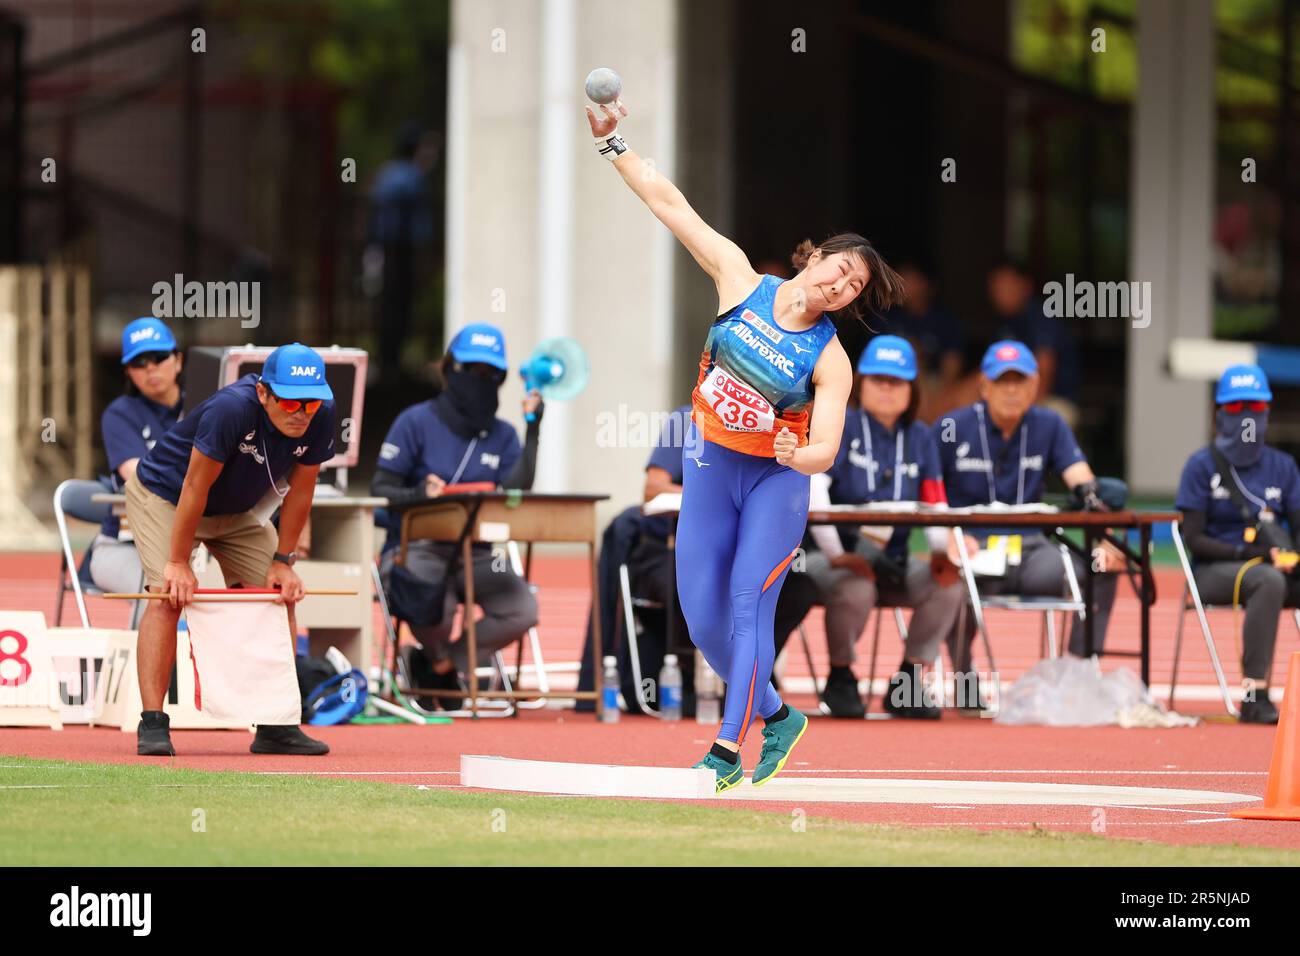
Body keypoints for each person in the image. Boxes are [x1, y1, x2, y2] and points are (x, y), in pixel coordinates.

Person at [589, 96, 904, 790]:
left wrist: (803, 457)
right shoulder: (738, 278)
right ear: (815, 256)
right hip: (707, 467)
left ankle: (728, 750)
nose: (839, 284)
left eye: (852, 288)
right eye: (839, 267)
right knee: (703, 624)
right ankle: (779, 716)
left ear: (848, 303)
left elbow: (826, 448)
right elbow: (671, 205)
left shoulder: (832, 361)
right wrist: (614, 145)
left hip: (774, 485)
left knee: (744, 604)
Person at [124, 343, 337, 757]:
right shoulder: (232, 409)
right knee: (167, 597)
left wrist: (283, 562)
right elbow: (193, 487)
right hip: (166, 496)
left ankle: (276, 723)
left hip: (235, 511)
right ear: (264, 393)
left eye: (310, 403)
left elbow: (302, 489)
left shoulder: (319, 415)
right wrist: (178, 562)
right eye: (290, 401)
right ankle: (153, 723)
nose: (300, 412)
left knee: (276, 598)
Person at [934, 340, 1121, 709]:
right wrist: (946, 541)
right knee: (948, 581)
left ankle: (1076, 670)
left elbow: (1083, 485)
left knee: (1100, 566)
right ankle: (963, 674)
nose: (1011, 390)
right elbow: (927, 489)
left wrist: (1106, 536)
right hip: (974, 549)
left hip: (1032, 551)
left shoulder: (1050, 424)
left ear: (1035, 387)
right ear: (984, 386)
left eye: (1020, 381)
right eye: (1002, 381)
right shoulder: (951, 427)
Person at [373, 323, 542, 710]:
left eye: (491, 374)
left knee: (523, 608)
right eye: (472, 371)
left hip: (478, 552)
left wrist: (533, 428)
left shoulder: (502, 435)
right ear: (450, 370)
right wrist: (420, 494)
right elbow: (380, 490)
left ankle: (441, 663)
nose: (481, 381)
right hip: (416, 547)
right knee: (437, 605)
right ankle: (436, 662)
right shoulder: (415, 421)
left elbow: (517, 492)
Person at [799, 336, 968, 719]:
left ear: (913, 389)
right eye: (878, 380)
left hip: (893, 557)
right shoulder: (838, 424)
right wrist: (839, 556)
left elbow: (935, 500)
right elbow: (815, 492)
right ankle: (840, 675)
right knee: (856, 585)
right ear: (861, 383)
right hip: (827, 555)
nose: (887, 389)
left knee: (949, 584)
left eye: (898, 381)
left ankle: (907, 680)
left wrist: (941, 554)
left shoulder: (923, 437)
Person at [628, 404, 821, 709]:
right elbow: (653, 488)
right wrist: (714, 494)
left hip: (752, 551)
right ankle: (700, 677)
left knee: (800, 588)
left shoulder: (783, 422)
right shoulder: (687, 419)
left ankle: (755, 677)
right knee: (697, 595)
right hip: (689, 547)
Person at [1175, 364, 1299, 724]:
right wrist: (1252, 554)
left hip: (1274, 565)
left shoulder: (1284, 466)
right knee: (1267, 579)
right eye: (1236, 407)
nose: (1247, 415)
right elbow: (1194, 539)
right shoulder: (1200, 466)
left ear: (1268, 411)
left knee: (1272, 578)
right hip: (1215, 569)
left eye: (1255, 407)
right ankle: (1254, 694)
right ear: (1219, 414)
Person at [90, 318, 185, 599]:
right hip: (123, 546)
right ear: (128, 373)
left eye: (158, 357)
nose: (150, 368)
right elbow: (139, 476)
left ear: (178, 361)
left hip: (200, 544)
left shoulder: (206, 408)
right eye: (139, 363)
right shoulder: (119, 414)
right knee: (164, 587)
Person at [988, 259, 1080, 427]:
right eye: (997, 287)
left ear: (1026, 286)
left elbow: (1042, 380)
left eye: (1008, 285)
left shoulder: (1041, 319)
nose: (1001, 293)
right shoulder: (1005, 325)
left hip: (1052, 401)